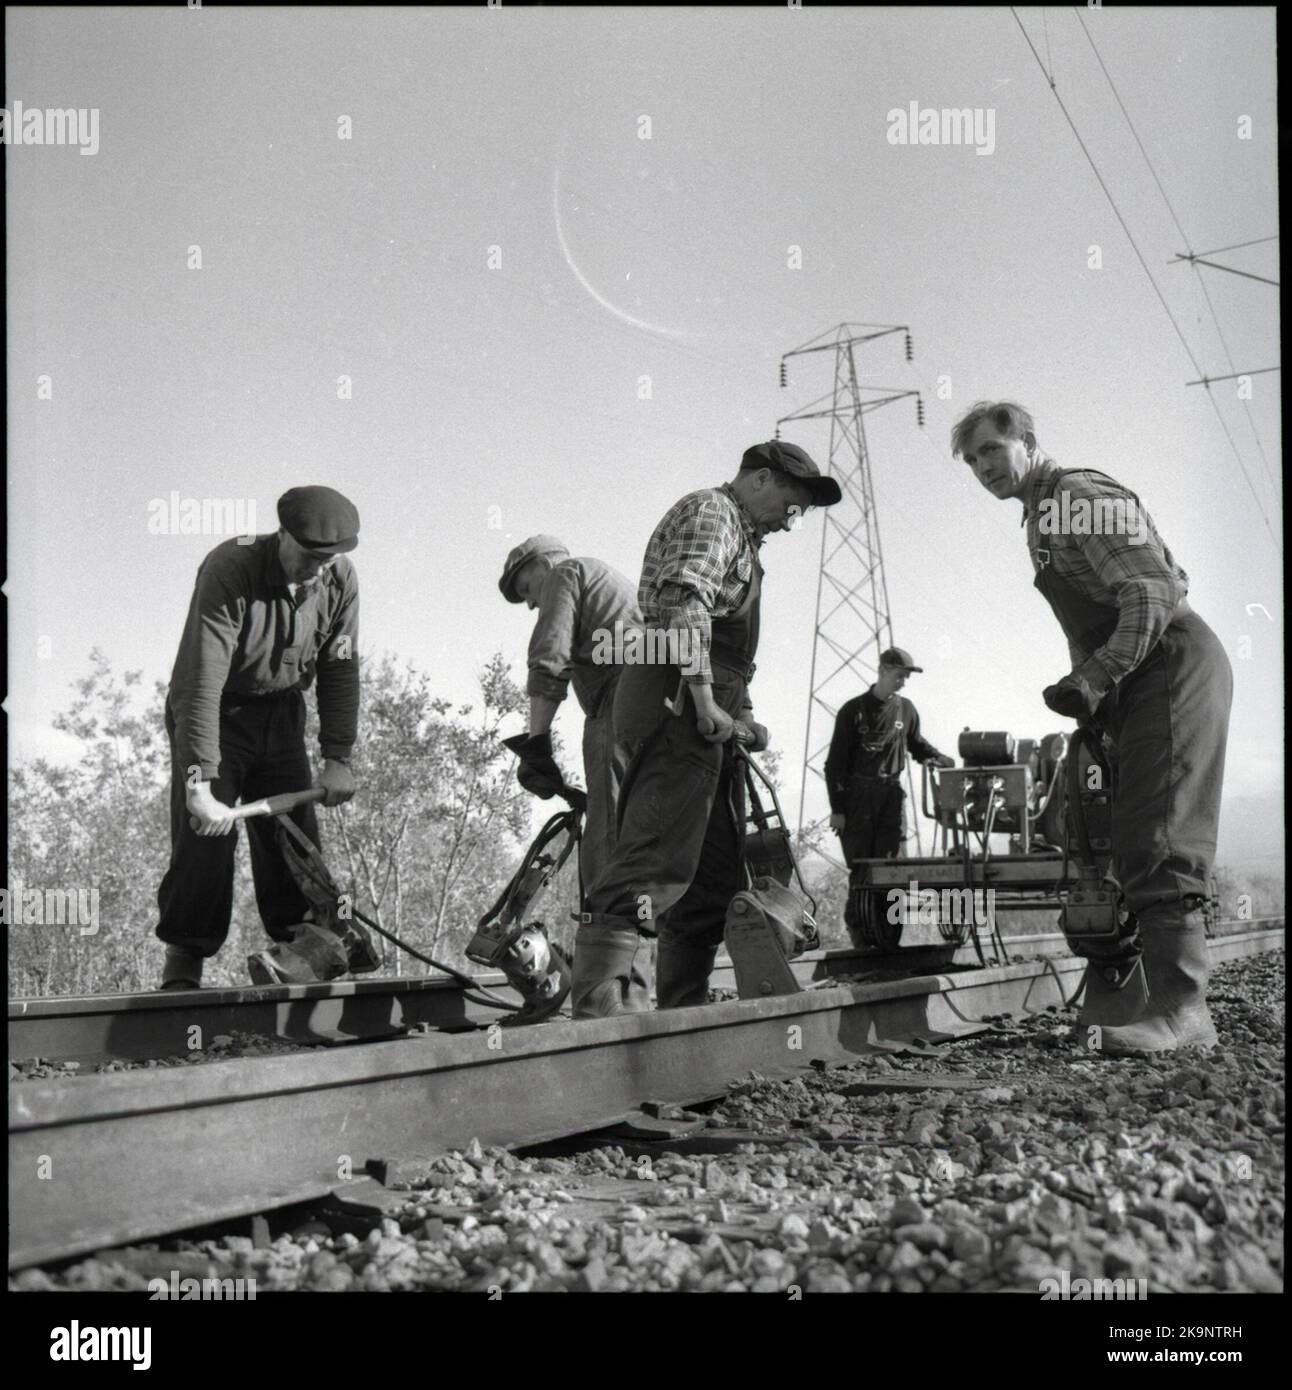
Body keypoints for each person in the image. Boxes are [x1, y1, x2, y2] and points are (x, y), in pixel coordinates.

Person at [952, 400, 1232, 1055]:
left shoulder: (1072, 496)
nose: (983, 467)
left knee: (1159, 834)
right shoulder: (1040, 519)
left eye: (993, 449)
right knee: (1112, 834)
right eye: (971, 460)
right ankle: (1137, 999)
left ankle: (1184, 1016)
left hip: (1167, 662)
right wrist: (1098, 702)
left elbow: (1151, 591)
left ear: (1028, 440)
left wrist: (1097, 677)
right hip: (1133, 683)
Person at [570, 440, 842, 1018]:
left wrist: (736, 711)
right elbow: (683, 601)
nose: (794, 523)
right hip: (677, 702)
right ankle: (599, 1022)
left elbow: (726, 645)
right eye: (793, 505)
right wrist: (702, 699)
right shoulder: (714, 513)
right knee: (652, 863)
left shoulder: (743, 537)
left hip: (706, 707)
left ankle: (681, 1023)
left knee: (711, 880)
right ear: (762, 480)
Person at [155, 485, 361, 989]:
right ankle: (183, 967)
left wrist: (338, 757)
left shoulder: (340, 580)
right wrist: (199, 779)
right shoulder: (231, 567)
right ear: (283, 535)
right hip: (218, 713)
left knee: (293, 841)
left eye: (328, 559)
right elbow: (199, 679)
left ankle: (297, 960)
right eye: (310, 556)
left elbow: (340, 669)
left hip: (282, 717)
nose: (317, 568)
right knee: (204, 839)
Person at [498, 535, 643, 895]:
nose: (531, 603)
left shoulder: (565, 573)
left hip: (620, 693)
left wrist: (537, 746)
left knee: (607, 822)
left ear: (544, 564)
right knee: (636, 818)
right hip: (651, 693)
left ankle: (605, 925)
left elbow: (550, 658)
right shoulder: (600, 577)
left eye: (527, 588)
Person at [824, 647, 954, 874]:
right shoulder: (852, 711)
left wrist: (938, 757)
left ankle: (892, 910)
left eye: (906, 677)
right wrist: (837, 810)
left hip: (891, 797)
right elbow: (834, 765)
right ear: (882, 671)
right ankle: (863, 910)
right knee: (863, 872)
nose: (903, 682)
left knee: (894, 869)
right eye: (899, 676)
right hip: (858, 801)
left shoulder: (906, 710)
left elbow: (916, 744)